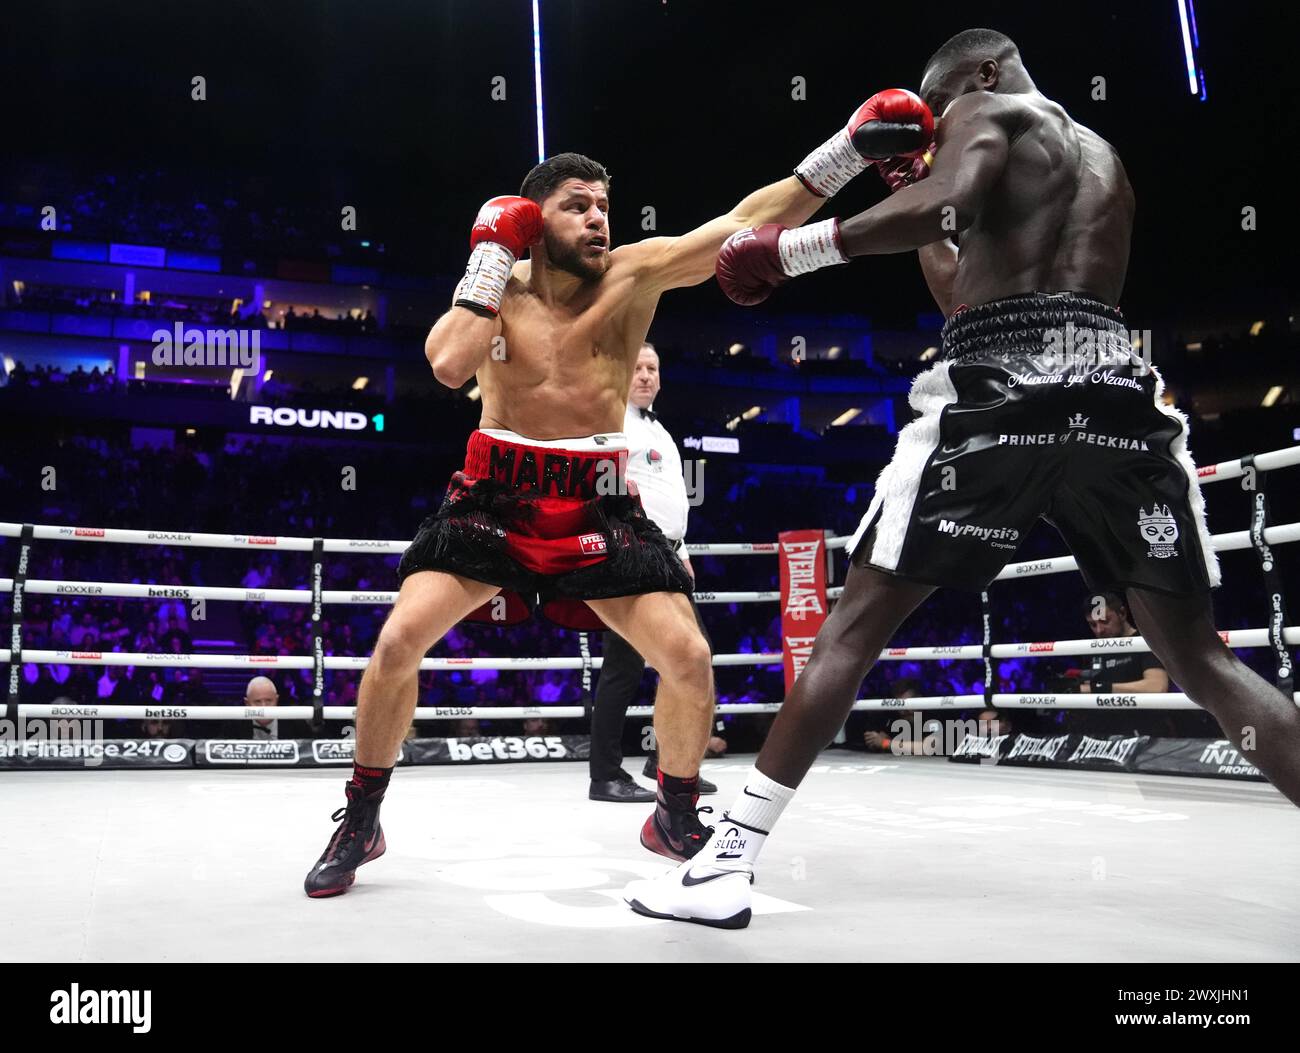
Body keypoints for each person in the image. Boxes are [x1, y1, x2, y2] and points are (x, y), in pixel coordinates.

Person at [625, 28, 1300, 928]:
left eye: (941, 114)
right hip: (1114, 383)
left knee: (853, 629)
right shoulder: (1104, 160)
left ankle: (722, 866)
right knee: (1203, 657)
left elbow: (960, 226)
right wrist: (926, 201)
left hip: (998, 388)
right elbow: (970, 274)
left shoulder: (990, 104)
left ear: (982, 74)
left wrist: (792, 252)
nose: (940, 132)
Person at [302, 108, 923, 896]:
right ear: (534, 219)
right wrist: (492, 256)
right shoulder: (502, 287)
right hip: (495, 497)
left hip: (597, 501)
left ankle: (673, 808)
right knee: (396, 645)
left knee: (690, 657)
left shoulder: (634, 275)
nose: (598, 219)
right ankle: (364, 813)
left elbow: (747, 221)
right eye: (577, 205)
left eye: (603, 205)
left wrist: (847, 151)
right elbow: (449, 364)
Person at [588, 342, 717, 803]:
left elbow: (667, 497)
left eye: (652, 368)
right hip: (632, 553)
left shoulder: (659, 430)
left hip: (667, 556)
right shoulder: (613, 422)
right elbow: (605, 489)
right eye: (637, 368)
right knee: (625, 666)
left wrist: (681, 549)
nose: (644, 376)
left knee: (687, 659)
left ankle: (669, 761)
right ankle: (604, 775)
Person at [1069, 590, 1168, 694]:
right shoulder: (1093, 650)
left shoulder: (1146, 641)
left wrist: (1101, 688)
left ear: (1122, 613)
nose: (1099, 630)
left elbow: (1157, 687)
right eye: (1093, 624)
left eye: (1105, 621)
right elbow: (1087, 688)